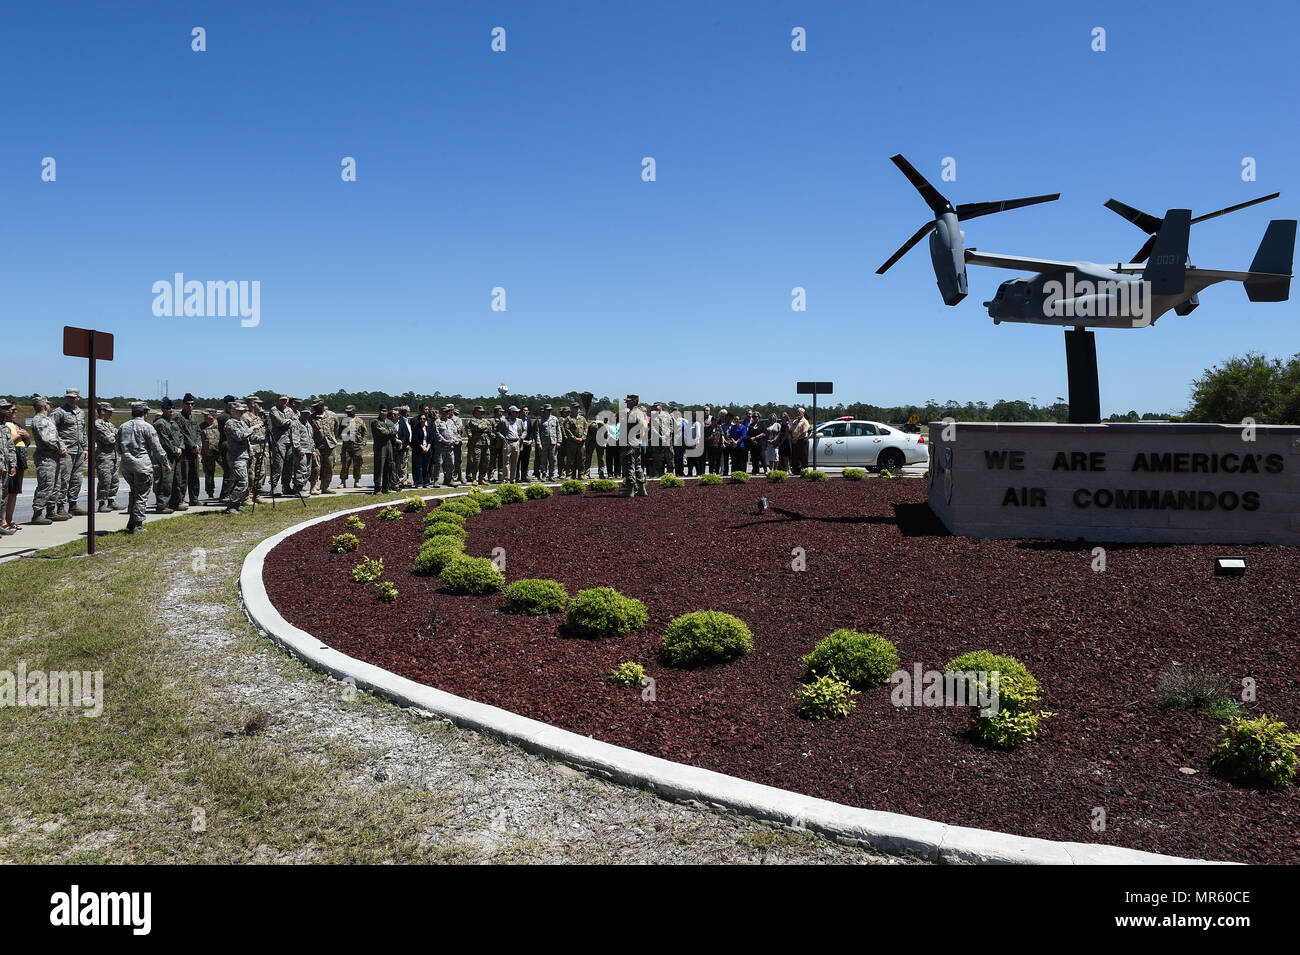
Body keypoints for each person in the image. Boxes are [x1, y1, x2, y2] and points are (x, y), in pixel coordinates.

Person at [117, 401, 169, 533]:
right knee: (141, 495)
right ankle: (137, 525)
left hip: (126, 465)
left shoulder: (123, 427)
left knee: (134, 492)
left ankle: (131, 521)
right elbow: (157, 448)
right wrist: (165, 463)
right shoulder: (147, 427)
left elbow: (117, 447)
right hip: (142, 465)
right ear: (144, 413)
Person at [51, 387, 88, 517]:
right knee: (63, 479)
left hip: (78, 451)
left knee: (77, 479)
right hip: (65, 451)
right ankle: (60, 507)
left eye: (74, 397)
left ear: (78, 398)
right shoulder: (59, 412)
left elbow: (83, 432)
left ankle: (73, 505)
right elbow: (52, 430)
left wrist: (85, 448)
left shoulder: (81, 412)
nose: (71, 399)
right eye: (69, 397)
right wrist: (60, 446)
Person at [28, 396, 66, 524]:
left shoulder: (47, 420)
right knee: (46, 485)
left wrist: (62, 447)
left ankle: (51, 511)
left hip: (54, 456)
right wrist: (60, 448)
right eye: (48, 404)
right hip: (46, 457)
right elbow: (48, 439)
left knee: (56, 485)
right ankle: (37, 514)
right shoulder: (39, 420)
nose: (49, 406)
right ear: (44, 406)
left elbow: (56, 436)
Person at [222, 400, 259, 513]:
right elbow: (240, 436)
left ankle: (237, 504)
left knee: (244, 482)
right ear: (232, 411)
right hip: (236, 456)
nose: (241, 413)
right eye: (239, 411)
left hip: (245, 455)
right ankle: (231, 505)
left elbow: (250, 438)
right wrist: (252, 428)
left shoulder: (241, 423)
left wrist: (264, 438)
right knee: (242, 482)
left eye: (242, 411)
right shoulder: (230, 423)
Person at [151, 398, 182, 513]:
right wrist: (175, 449)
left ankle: (175, 503)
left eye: (172, 408)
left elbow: (180, 437)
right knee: (165, 482)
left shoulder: (174, 423)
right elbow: (164, 441)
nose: (171, 410)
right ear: (163, 410)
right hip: (166, 456)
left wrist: (180, 448)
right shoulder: (160, 423)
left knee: (177, 480)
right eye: (168, 408)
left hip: (176, 455)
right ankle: (162, 505)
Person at [3, 401, 29, 531]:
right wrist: (19, 435)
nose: (14, 412)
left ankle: (10, 519)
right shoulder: (3, 426)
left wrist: (27, 436)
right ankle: (3, 521)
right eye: (12, 410)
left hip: (19, 458)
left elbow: (26, 442)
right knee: (6, 492)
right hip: (7, 460)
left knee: (14, 491)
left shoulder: (16, 425)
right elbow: (5, 443)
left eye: (15, 410)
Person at [176, 394, 203, 506]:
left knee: (195, 476)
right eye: (188, 404)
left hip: (195, 451)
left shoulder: (194, 417)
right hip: (185, 451)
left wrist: (198, 445)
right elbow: (182, 434)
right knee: (184, 477)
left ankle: (194, 498)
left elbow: (198, 432)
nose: (190, 406)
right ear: (183, 404)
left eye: (192, 404)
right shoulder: (178, 417)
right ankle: (180, 499)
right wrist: (192, 446)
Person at [93, 402, 120, 513]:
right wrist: (113, 435)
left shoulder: (108, 424)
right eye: (109, 411)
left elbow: (119, 434)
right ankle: (102, 503)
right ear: (102, 411)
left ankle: (111, 501)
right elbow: (109, 439)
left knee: (114, 480)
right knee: (105, 481)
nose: (111, 414)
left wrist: (114, 434)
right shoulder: (97, 424)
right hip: (104, 457)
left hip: (113, 456)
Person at [619, 394, 648, 497]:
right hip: (636, 443)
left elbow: (641, 427)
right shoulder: (638, 413)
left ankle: (630, 490)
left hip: (630, 444)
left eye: (629, 401)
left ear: (635, 401)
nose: (626, 403)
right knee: (637, 466)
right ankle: (642, 489)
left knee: (629, 466)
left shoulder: (634, 413)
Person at [310, 397, 340, 494]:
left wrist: (332, 438)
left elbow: (336, 428)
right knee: (316, 467)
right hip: (317, 446)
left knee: (329, 467)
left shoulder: (332, 415)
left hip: (330, 445)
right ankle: (313, 486)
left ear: (322, 406)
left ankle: (325, 486)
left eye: (317, 406)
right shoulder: (311, 417)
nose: (314, 409)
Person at [268, 394, 295, 492]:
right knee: (278, 464)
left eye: (285, 400)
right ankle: (273, 486)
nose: (283, 401)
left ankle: (286, 485)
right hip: (278, 440)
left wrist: (288, 422)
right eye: (282, 400)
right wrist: (288, 421)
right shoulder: (274, 409)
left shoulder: (290, 410)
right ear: (278, 400)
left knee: (288, 464)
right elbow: (278, 422)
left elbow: (295, 422)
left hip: (289, 439)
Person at [245, 395, 269, 502]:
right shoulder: (245, 417)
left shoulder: (258, 417)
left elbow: (262, 433)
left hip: (260, 449)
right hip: (251, 449)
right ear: (251, 404)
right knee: (251, 473)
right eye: (257, 403)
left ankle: (257, 493)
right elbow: (245, 435)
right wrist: (249, 451)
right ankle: (249, 494)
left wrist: (265, 448)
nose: (259, 406)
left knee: (261, 472)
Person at [289, 406, 317, 495]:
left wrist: (313, 450)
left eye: (308, 413)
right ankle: (298, 489)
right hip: (301, 451)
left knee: (308, 471)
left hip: (309, 450)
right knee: (301, 470)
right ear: (301, 413)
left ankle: (302, 487)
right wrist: (298, 449)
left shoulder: (308, 425)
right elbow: (295, 437)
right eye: (304, 413)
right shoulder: (296, 423)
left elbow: (311, 439)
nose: (306, 415)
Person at [338, 404, 367, 488]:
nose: (348, 414)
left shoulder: (360, 421)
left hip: (357, 446)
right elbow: (339, 433)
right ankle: (343, 482)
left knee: (357, 464)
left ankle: (357, 481)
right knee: (345, 464)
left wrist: (363, 442)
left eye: (350, 412)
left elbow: (364, 432)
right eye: (347, 412)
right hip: (346, 446)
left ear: (354, 411)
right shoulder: (344, 421)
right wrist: (344, 435)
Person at [369, 404, 397, 493]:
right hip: (380, 447)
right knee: (379, 467)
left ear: (387, 411)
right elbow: (381, 433)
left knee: (389, 466)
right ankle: (377, 488)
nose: (383, 412)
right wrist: (389, 431)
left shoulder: (390, 422)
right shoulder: (375, 422)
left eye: (385, 411)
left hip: (389, 446)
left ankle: (386, 488)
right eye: (381, 410)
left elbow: (395, 431)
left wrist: (386, 430)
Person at [464, 404, 493, 485]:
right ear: (475, 412)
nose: (482, 413)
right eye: (480, 412)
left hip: (486, 443)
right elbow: (478, 427)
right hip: (477, 443)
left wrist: (485, 427)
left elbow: (490, 430)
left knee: (486, 461)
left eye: (482, 412)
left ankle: (481, 478)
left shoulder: (486, 421)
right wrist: (485, 427)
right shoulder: (472, 420)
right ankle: (474, 478)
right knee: (476, 461)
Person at [434, 405, 461, 487]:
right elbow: (436, 434)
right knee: (438, 464)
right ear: (442, 413)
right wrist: (445, 441)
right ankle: (436, 480)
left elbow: (455, 433)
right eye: (445, 412)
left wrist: (454, 440)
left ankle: (449, 480)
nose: (447, 413)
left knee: (451, 464)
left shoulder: (451, 422)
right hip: (441, 447)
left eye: (448, 412)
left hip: (450, 447)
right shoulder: (437, 422)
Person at [200, 408, 222, 499]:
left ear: (213, 415)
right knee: (209, 474)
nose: (204, 417)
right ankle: (210, 493)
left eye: (206, 415)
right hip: (207, 453)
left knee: (228, 470)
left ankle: (227, 491)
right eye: (204, 415)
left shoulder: (220, 424)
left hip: (219, 452)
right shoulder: (202, 426)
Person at [535, 404, 561, 480]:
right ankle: (543, 474)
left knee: (553, 459)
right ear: (544, 410)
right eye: (547, 410)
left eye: (550, 410)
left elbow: (558, 431)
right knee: (543, 460)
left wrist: (559, 441)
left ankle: (551, 474)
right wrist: (539, 443)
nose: (549, 411)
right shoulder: (540, 420)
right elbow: (537, 433)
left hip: (553, 442)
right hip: (543, 443)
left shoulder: (555, 419)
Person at [498, 406, 524, 483]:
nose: (517, 414)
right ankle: (505, 479)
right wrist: (502, 437)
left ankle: (513, 479)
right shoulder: (504, 421)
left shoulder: (519, 421)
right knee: (506, 462)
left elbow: (524, 430)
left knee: (515, 462)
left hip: (516, 442)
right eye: (515, 412)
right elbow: (497, 430)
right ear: (511, 413)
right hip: (507, 442)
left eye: (517, 412)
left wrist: (521, 438)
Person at [0, 403, 15, 535]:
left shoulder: (5, 428)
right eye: (4, 408)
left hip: (5, 468)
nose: (7, 411)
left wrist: (13, 465)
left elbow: (10, 448)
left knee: (3, 496)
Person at [412, 410, 432, 488]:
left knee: (426, 467)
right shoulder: (416, 428)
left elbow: (431, 439)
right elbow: (416, 439)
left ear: (426, 420)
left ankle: (426, 482)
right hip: (419, 449)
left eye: (424, 419)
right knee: (419, 467)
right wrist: (422, 447)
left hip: (427, 449)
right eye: (421, 419)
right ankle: (419, 482)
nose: (422, 420)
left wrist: (427, 448)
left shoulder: (428, 428)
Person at [393, 405, 412, 488]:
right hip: (397, 446)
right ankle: (398, 481)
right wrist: (400, 444)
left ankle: (403, 480)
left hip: (404, 446)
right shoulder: (398, 421)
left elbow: (407, 434)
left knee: (403, 464)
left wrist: (405, 445)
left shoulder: (405, 422)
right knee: (397, 465)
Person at [791, 407, 811, 474]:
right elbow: (792, 430)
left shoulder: (805, 421)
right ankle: (796, 471)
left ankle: (804, 471)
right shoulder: (795, 421)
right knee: (795, 456)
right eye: (797, 412)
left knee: (803, 456)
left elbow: (804, 432)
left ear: (803, 413)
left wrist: (796, 439)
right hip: (795, 441)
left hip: (802, 440)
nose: (798, 413)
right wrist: (793, 438)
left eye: (799, 412)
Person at [519, 406, 535, 481]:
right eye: (524, 410)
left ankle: (524, 476)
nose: (526, 412)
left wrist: (531, 440)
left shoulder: (529, 421)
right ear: (521, 411)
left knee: (526, 461)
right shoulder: (517, 420)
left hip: (528, 444)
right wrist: (523, 440)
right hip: (519, 443)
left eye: (527, 411)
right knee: (518, 461)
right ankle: (516, 477)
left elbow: (531, 432)